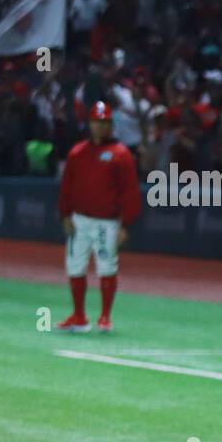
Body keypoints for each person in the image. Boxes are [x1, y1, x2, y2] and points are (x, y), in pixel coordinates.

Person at [55, 101, 141, 333]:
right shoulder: (77, 152)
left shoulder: (121, 154)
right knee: (75, 266)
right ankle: (79, 316)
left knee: (106, 266)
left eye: (103, 122)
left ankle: (105, 317)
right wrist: (64, 214)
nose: (99, 127)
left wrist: (126, 224)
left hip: (107, 222)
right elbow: (67, 187)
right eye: (95, 122)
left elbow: (130, 192)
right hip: (79, 219)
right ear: (89, 123)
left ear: (110, 125)